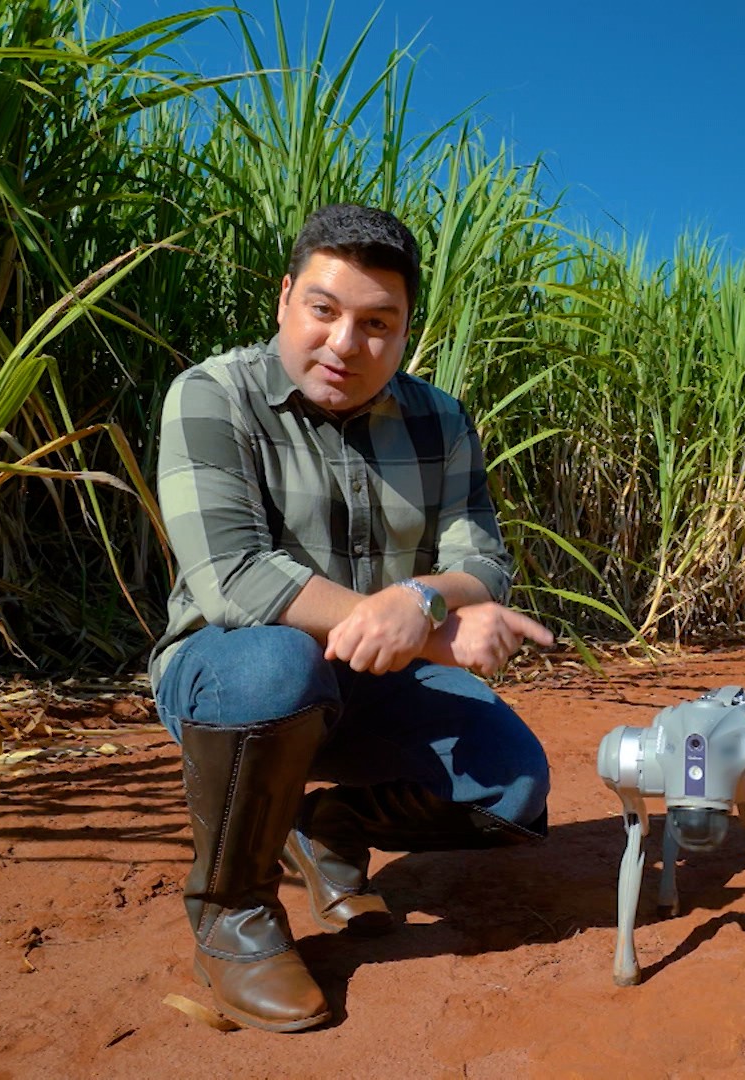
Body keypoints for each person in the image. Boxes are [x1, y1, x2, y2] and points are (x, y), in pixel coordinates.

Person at [149, 203, 555, 1032]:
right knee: (275, 666)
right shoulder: (212, 396)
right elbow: (233, 577)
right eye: (324, 311)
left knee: (514, 790)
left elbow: (483, 565)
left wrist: (422, 599)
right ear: (285, 299)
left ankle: (324, 823)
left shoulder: (440, 420)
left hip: (381, 681)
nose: (344, 345)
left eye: (378, 323)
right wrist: (436, 630)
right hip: (230, 673)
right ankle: (232, 911)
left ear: (406, 331)